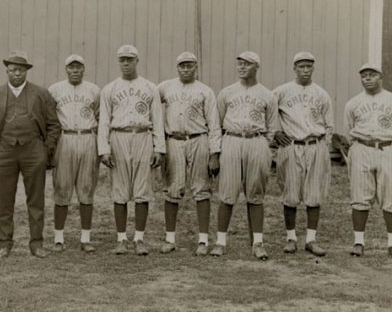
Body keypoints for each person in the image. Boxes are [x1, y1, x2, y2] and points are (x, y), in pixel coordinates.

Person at [0, 50, 61, 258]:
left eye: (20, 70)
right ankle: (4, 242)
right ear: (6, 71)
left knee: (35, 200)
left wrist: (45, 151)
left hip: (33, 151)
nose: (17, 74)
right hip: (4, 152)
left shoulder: (40, 94)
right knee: (4, 200)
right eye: (13, 70)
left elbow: (54, 125)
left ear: (26, 72)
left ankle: (36, 243)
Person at [211, 52, 278, 261]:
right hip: (231, 139)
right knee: (227, 194)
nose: (241, 67)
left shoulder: (267, 94)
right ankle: (220, 242)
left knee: (255, 194)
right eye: (239, 63)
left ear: (256, 67)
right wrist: (215, 153)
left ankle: (257, 243)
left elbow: (272, 126)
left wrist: (264, 148)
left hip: (256, 140)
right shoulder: (227, 92)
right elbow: (216, 125)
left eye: (247, 64)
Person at [98, 44, 165, 256]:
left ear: (137, 61)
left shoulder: (149, 87)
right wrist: (103, 149)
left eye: (129, 59)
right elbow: (103, 122)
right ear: (118, 62)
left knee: (142, 190)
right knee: (120, 189)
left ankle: (139, 238)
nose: (125, 63)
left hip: (143, 135)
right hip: (119, 136)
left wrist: (159, 148)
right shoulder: (109, 89)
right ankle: (121, 239)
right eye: (122, 60)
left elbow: (157, 119)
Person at [157, 52, 221, 256]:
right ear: (177, 67)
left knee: (201, 189)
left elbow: (214, 123)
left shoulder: (205, 91)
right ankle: (169, 239)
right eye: (182, 66)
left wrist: (214, 153)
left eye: (190, 66)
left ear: (196, 67)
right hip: (174, 140)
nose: (186, 69)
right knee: (172, 188)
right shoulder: (165, 87)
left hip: (198, 138)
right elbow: (149, 104)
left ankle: (203, 240)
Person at [273, 52, 333, 257]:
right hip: (291, 145)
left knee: (313, 195)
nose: (305, 70)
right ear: (294, 68)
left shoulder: (321, 93)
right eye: (301, 66)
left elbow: (329, 124)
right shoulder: (281, 91)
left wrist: (324, 147)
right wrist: (276, 132)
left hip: (315, 144)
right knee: (290, 194)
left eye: (309, 66)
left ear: (313, 68)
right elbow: (269, 114)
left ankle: (311, 239)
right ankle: (290, 238)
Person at [48, 54, 100, 253]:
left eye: (78, 67)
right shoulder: (55, 90)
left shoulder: (94, 90)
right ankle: (59, 238)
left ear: (83, 69)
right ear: (66, 69)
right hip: (65, 137)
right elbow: (49, 119)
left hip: (87, 137)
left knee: (86, 189)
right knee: (62, 189)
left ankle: (85, 238)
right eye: (71, 67)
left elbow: (100, 116)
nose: (75, 70)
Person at [344, 63, 392, 257]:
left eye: (372, 75)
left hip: (387, 147)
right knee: (360, 196)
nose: (368, 79)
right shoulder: (353, 103)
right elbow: (349, 130)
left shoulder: (390, 99)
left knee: (390, 197)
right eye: (364, 76)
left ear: (380, 77)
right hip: (362, 147)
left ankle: (391, 242)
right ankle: (358, 241)